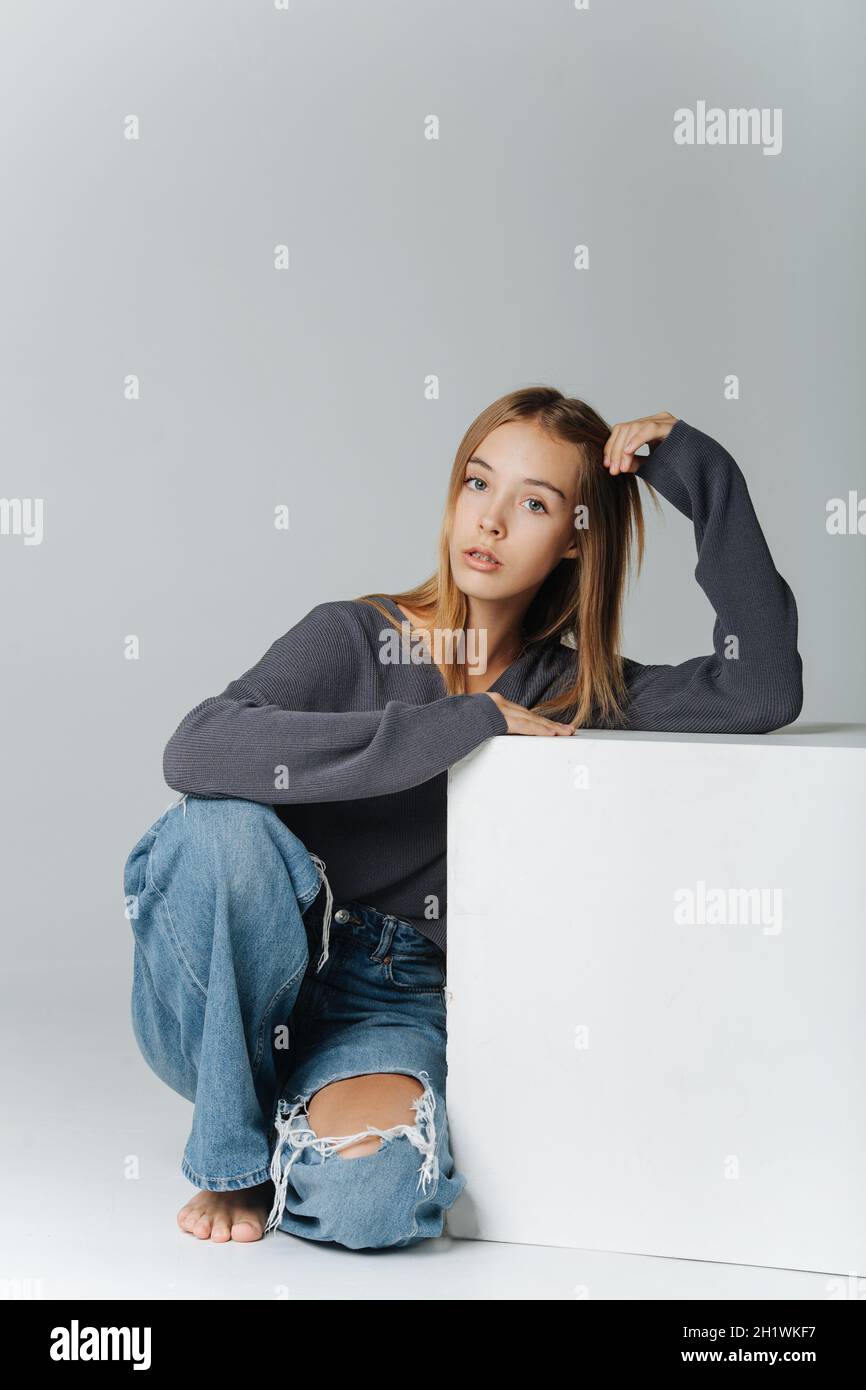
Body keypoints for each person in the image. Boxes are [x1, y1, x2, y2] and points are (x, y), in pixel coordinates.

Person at [121, 387, 803, 1248]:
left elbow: (761, 689)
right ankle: (233, 1159)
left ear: (574, 540)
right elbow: (196, 749)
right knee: (219, 832)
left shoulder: (570, 693)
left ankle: (291, 1116)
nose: (491, 521)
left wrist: (701, 472)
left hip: (390, 1007)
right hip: (248, 976)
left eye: (534, 503)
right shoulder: (353, 637)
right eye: (479, 485)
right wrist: (461, 722)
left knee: (374, 1204)